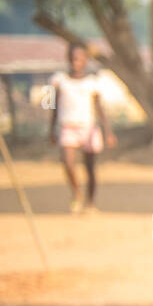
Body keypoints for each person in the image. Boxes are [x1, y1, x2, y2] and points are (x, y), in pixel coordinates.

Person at [49, 42, 116, 214]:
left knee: (90, 168)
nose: (76, 61)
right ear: (68, 59)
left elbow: (99, 108)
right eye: (73, 58)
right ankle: (77, 193)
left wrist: (108, 131)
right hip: (67, 127)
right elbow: (51, 105)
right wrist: (50, 129)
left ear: (85, 59)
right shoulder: (58, 80)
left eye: (79, 58)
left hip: (88, 128)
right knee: (67, 162)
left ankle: (90, 203)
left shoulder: (93, 82)